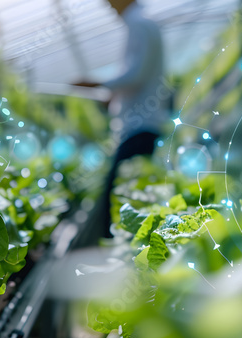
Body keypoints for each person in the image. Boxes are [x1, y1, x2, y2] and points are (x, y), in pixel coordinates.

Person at [73, 0, 168, 246]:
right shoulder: (141, 24)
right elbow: (138, 77)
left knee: (115, 199)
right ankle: (126, 252)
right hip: (140, 125)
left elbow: (137, 74)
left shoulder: (139, 23)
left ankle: (117, 253)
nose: (109, 6)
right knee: (129, 194)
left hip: (140, 126)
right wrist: (113, 97)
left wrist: (99, 85)